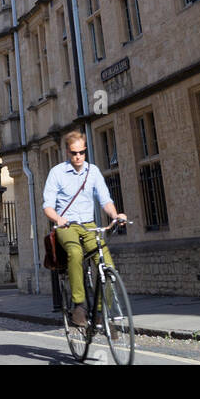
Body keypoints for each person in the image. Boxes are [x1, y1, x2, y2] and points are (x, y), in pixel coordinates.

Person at [43, 129, 127, 327]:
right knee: (75, 252)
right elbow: (47, 205)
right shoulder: (57, 173)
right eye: (74, 153)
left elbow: (105, 199)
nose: (78, 156)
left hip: (89, 225)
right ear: (67, 152)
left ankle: (100, 310)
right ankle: (79, 305)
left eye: (81, 152)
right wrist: (58, 218)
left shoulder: (93, 171)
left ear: (85, 151)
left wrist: (115, 215)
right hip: (67, 225)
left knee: (107, 264)